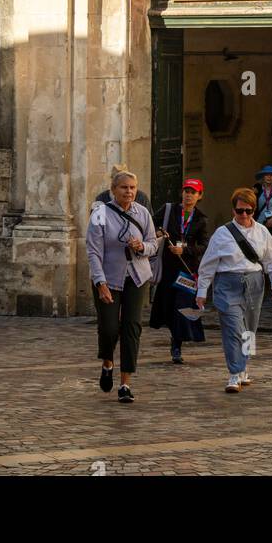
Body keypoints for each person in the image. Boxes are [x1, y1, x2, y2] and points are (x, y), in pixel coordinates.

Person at [196, 186, 272, 393]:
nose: (244, 215)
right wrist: (201, 291)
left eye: (248, 211)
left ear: (254, 210)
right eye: (239, 211)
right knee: (233, 328)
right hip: (228, 283)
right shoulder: (222, 234)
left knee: (249, 330)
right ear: (233, 210)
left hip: (254, 283)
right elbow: (208, 265)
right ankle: (234, 372)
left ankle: (245, 367)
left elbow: (271, 261)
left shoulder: (262, 232)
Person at [85, 169, 159, 402]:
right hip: (108, 277)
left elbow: (153, 244)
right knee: (108, 328)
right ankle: (108, 362)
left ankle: (125, 384)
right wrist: (100, 282)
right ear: (113, 190)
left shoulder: (143, 212)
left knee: (131, 326)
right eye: (124, 187)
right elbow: (94, 251)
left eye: (132, 188)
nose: (129, 192)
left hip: (136, 276)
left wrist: (142, 247)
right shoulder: (100, 213)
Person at [150, 178, 209, 364]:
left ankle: (177, 345)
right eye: (186, 191)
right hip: (168, 269)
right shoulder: (169, 210)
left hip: (187, 270)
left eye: (193, 192)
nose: (189, 195)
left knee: (182, 308)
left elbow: (205, 245)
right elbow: (150, 225)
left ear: (200, 196)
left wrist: (185, 250)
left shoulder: (201, 219)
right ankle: (175, 337)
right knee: (168, 306)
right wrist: (159, 233)